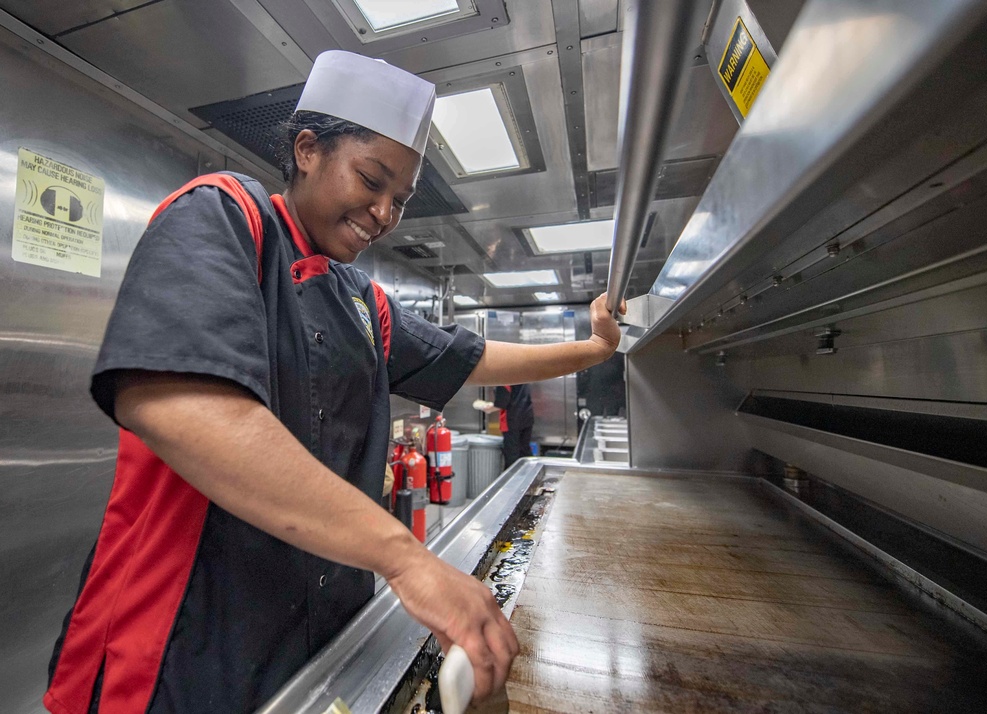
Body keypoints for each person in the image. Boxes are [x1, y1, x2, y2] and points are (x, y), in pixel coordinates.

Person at [44, 51, 624, 714]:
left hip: (309, 646)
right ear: (308, 150)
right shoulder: (225, 216)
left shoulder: (361, 301)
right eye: (372, 180)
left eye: (399, 201)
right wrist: (406, 559)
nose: (383, 212)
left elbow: (476, 358)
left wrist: (594, 350)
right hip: (179, 649)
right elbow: (186, 409)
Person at [493, 384, 534, 467]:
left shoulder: (503, 380)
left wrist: (487, 407)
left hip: (512, 419)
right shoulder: (521, 377)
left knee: (512, 455)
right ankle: (529, 473)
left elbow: (501, 403)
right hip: (527, 416)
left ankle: (513, 474)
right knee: (525, 451)